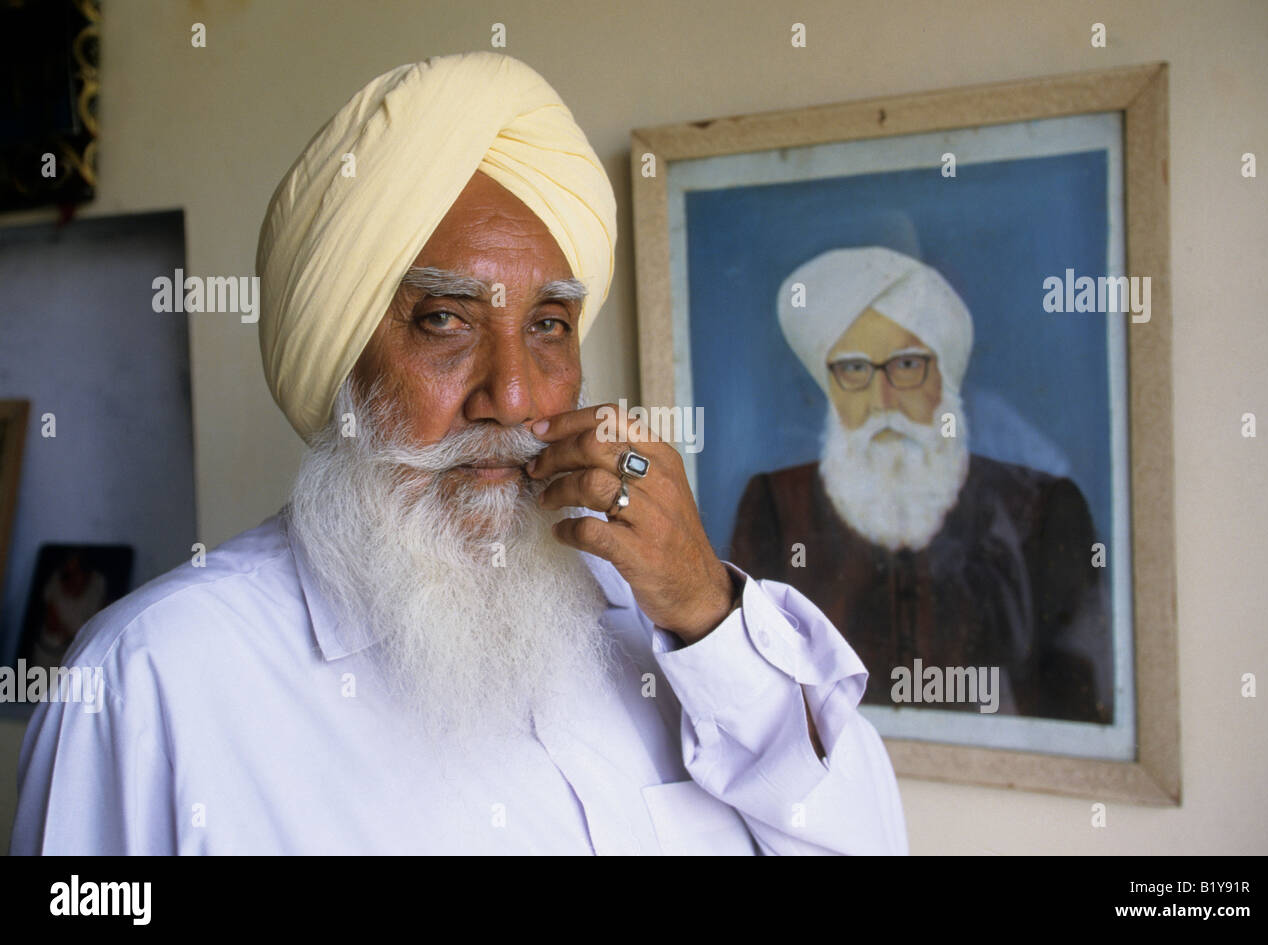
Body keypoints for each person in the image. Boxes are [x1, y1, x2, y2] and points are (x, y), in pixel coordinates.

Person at [10, 53, 907, 855]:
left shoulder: (657, 615)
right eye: (445, 321)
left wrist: (708, 609)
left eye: (548, 325)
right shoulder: (153, 682)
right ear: (339, 361)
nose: (512, 397)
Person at [730, 247, 1112, 722]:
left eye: (907, 366)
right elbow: (749, 696)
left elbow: (1076, 708)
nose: (881, 399)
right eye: (853, 369)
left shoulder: (1041, 509)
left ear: (945, 376)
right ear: (829, 386)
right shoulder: (775, 504)